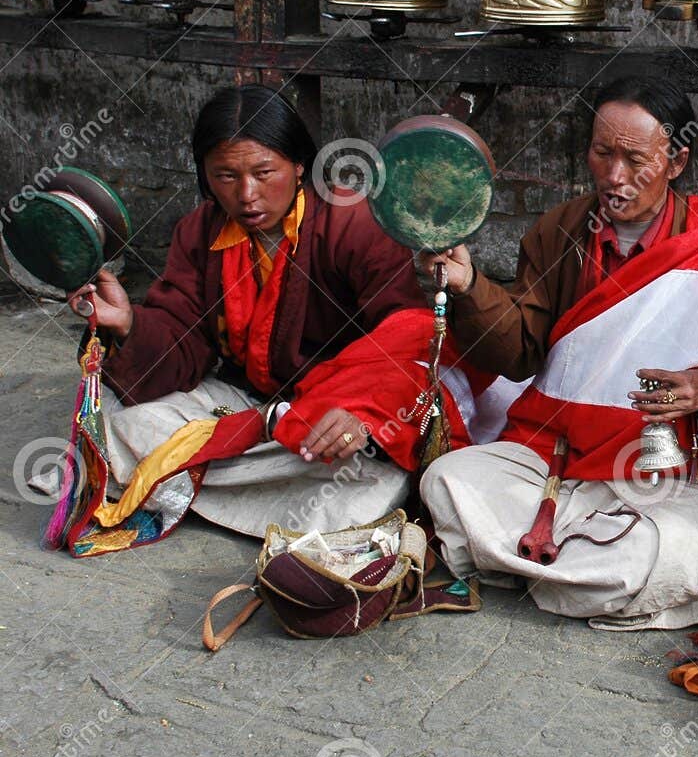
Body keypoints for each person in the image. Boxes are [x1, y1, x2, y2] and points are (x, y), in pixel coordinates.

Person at [417, 76, 698, 629]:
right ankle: (577, 570)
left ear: (676, 160)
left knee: (674, 551)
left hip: (655, 470)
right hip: (554, 452)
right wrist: (471, 282)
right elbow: (521, 353)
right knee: (447, 482)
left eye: (636, 159)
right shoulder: (559, 231)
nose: (614, 177)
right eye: (602, 153)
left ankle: (524, 561)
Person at [59, 85, 456, 544]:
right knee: (115, 421)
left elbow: (406, 334)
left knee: (364, 479)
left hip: (331, 416)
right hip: (249, 403)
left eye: (264, 172)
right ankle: (248, 489)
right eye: (225, 176)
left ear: (299, 164)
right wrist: (128, 322)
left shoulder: (354, 223)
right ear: (206, 176)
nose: (247, 195)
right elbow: (183, 341)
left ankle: (190, 483)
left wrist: (359, 411)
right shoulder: (199, 232)